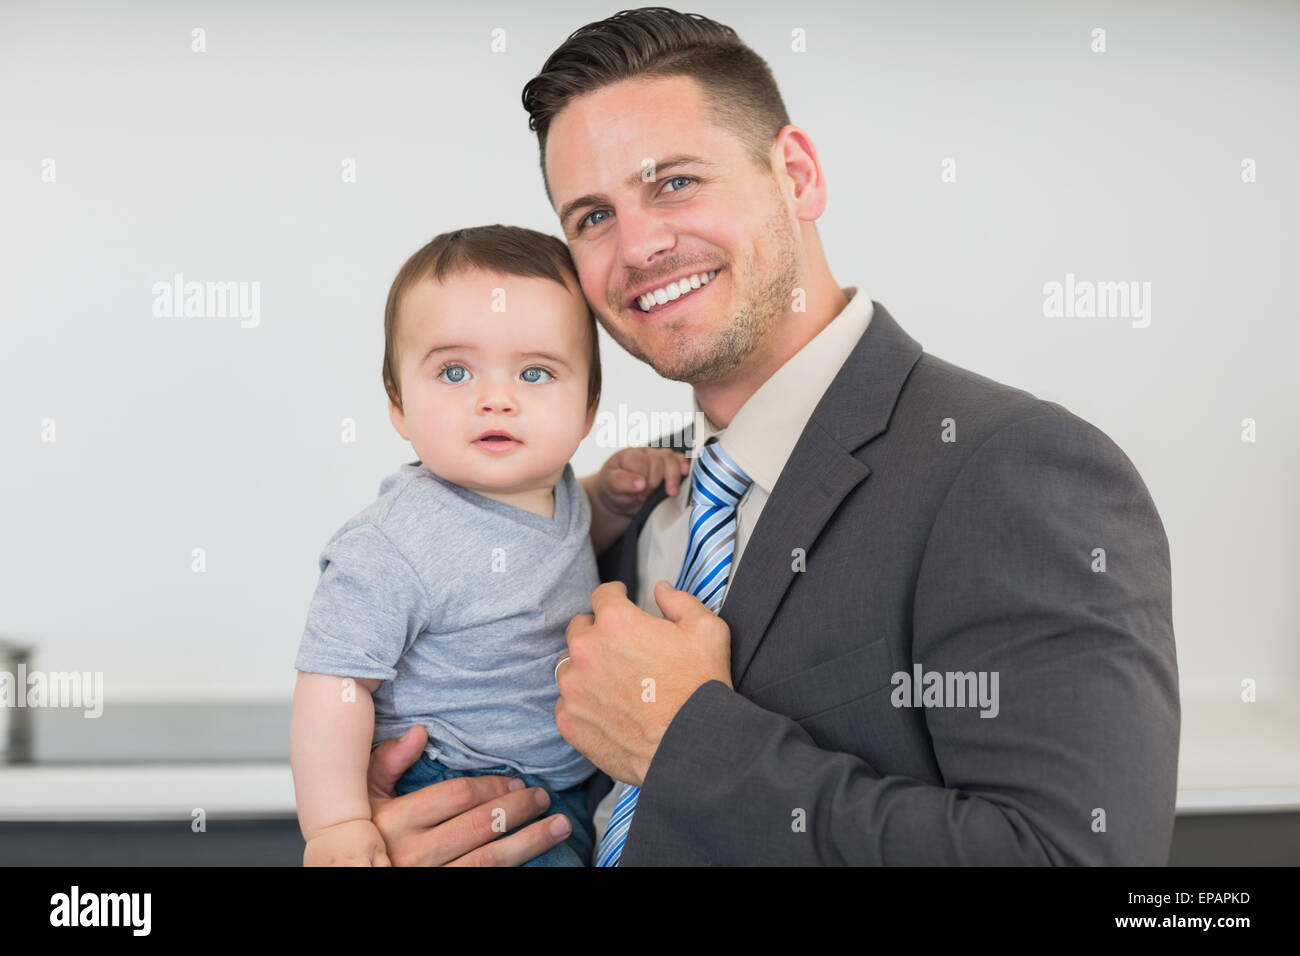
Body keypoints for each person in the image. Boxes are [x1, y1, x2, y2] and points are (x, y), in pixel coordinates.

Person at [368, 8, 1181, 866]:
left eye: (674, 182)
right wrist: (416, 821)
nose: (640, 244)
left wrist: (688, 743)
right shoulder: (628, 501)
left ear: (795, 175)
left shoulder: (1014, 469)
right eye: (593, 217)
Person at [291, 224, 687, 866]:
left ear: (587, 409)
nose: (495, 399)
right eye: (454, 371)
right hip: (457, 784)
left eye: (535, 373)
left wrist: (608, 503)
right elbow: (333, 685)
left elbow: (549, 549)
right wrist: (335, 824)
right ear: (398, 403)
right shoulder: (391, 543)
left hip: (572, 779)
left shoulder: (556, 490)